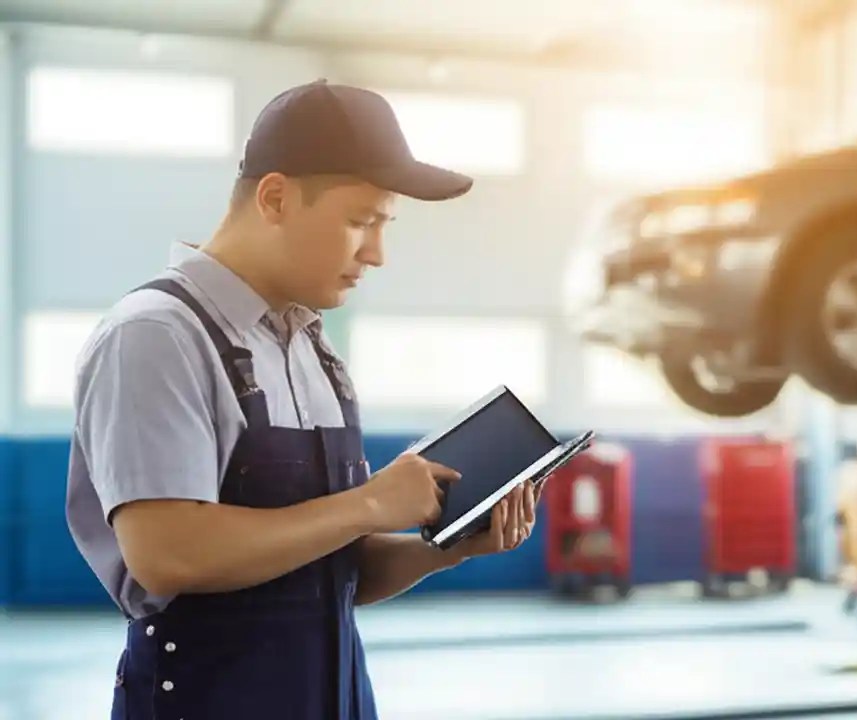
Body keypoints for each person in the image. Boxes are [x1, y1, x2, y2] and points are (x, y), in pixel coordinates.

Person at [65, 79, 538, 720]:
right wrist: (370, 502)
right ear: (277, 197)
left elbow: (341, 571)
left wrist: (446, 548)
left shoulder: (315, 353)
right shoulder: (156, 336)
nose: (376, 254)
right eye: (359, 222)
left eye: (384, 226)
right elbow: (168, 554)